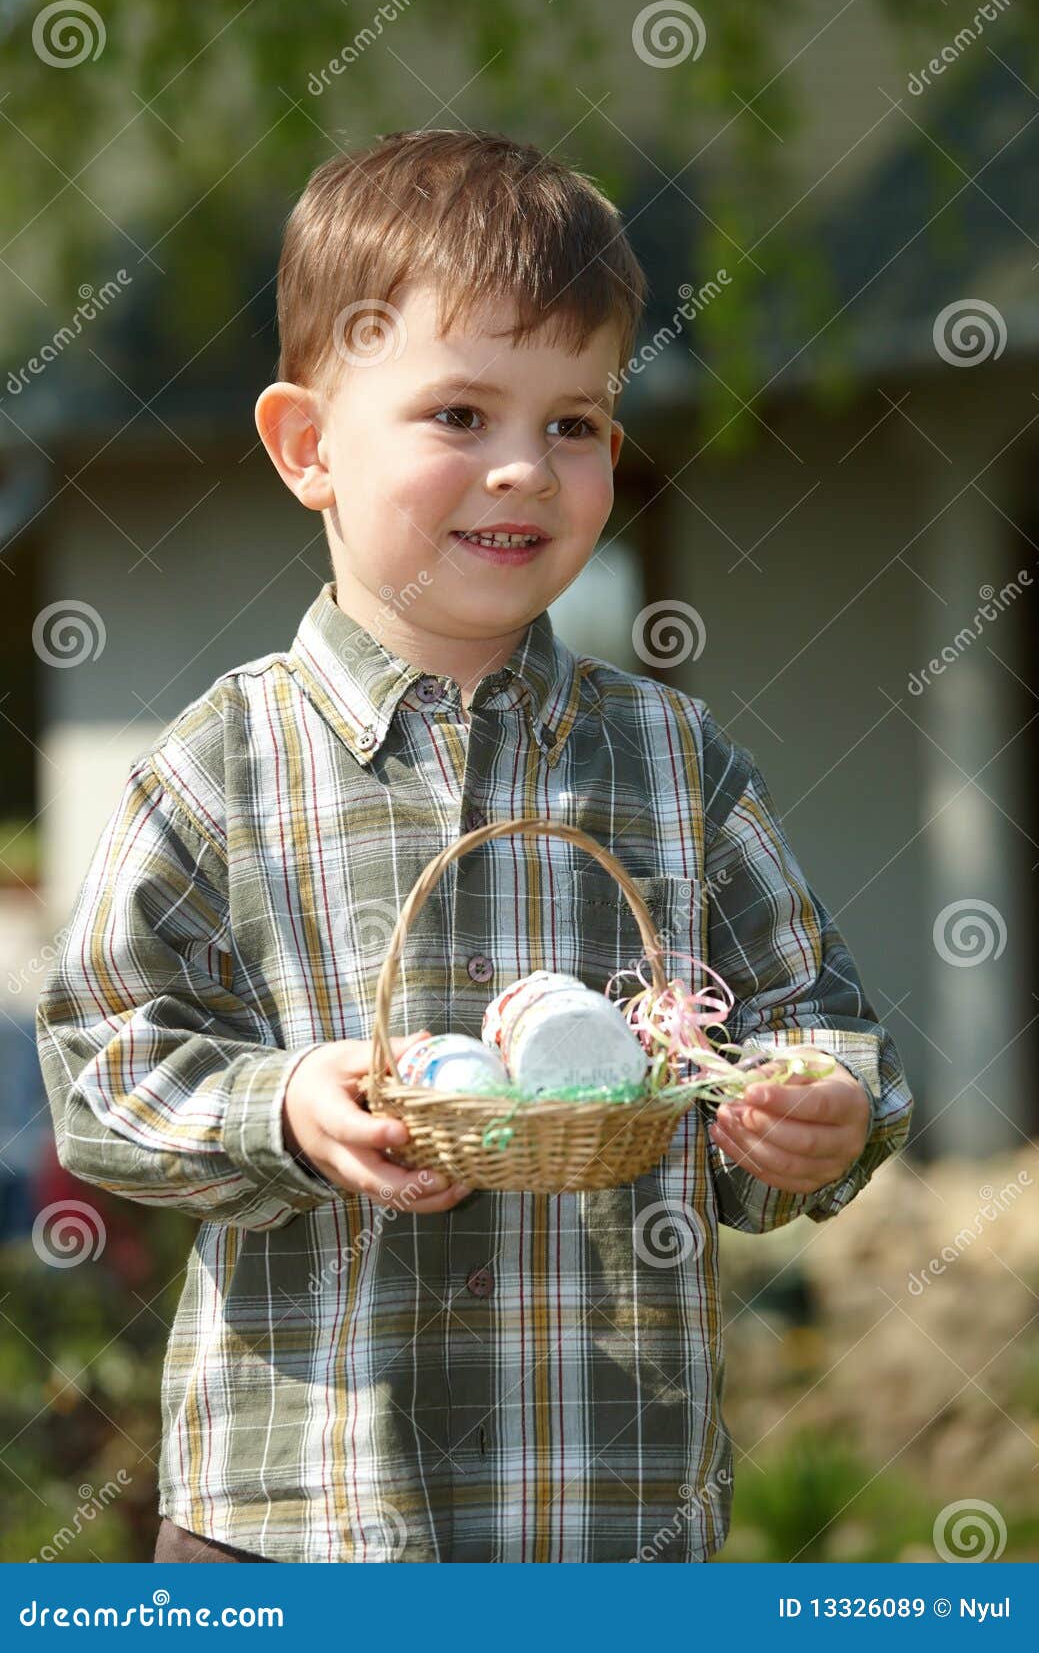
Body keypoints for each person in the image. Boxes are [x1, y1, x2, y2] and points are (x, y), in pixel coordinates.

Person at [35, 128, 913, 1564]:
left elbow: (817, 1031)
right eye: (459, 414)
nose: (522, 469)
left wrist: (819, 1113)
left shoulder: (672, 766)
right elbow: (99, 1068)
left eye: (572, 424)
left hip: (603, 1508)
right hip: (299, 1519)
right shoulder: (223, 765)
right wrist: (281, 1104)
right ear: (308, 447)